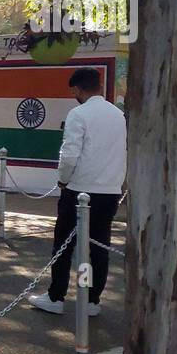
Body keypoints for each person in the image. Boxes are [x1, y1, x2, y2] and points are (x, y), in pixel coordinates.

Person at [27, 67, 126, 316]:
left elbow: (70, 154)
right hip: (110, 191)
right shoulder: (118, 115)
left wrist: (63, 179)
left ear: (77, 89)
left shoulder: (78, 114)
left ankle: (56, 296)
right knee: (98, 246)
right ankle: (91, 300)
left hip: (79, 190)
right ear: (99, 86)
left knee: (65, 244)